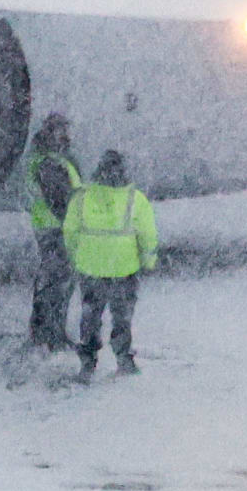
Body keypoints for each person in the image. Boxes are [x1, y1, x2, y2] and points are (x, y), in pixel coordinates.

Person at [65, 146, 158, 377]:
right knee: (122, 317)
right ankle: (124, 359)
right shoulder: (135, 199)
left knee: (90, 315)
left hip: (90, 267)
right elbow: (147, 234)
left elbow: (70, 231)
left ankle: (87, 361)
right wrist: (149, 261)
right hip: (123, 268)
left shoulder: (82, 198)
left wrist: (75, 256)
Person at [20, 112, 81, 355]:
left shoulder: (50, 158)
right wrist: (73, 222)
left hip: (50, 226)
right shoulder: (50, 162)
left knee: (50, 279)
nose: (66, 134)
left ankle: (43, 332)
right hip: (56, 228)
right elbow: (59, 199)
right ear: (52, 132)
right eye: (62, 129)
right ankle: (53, 334)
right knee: (59, 281)